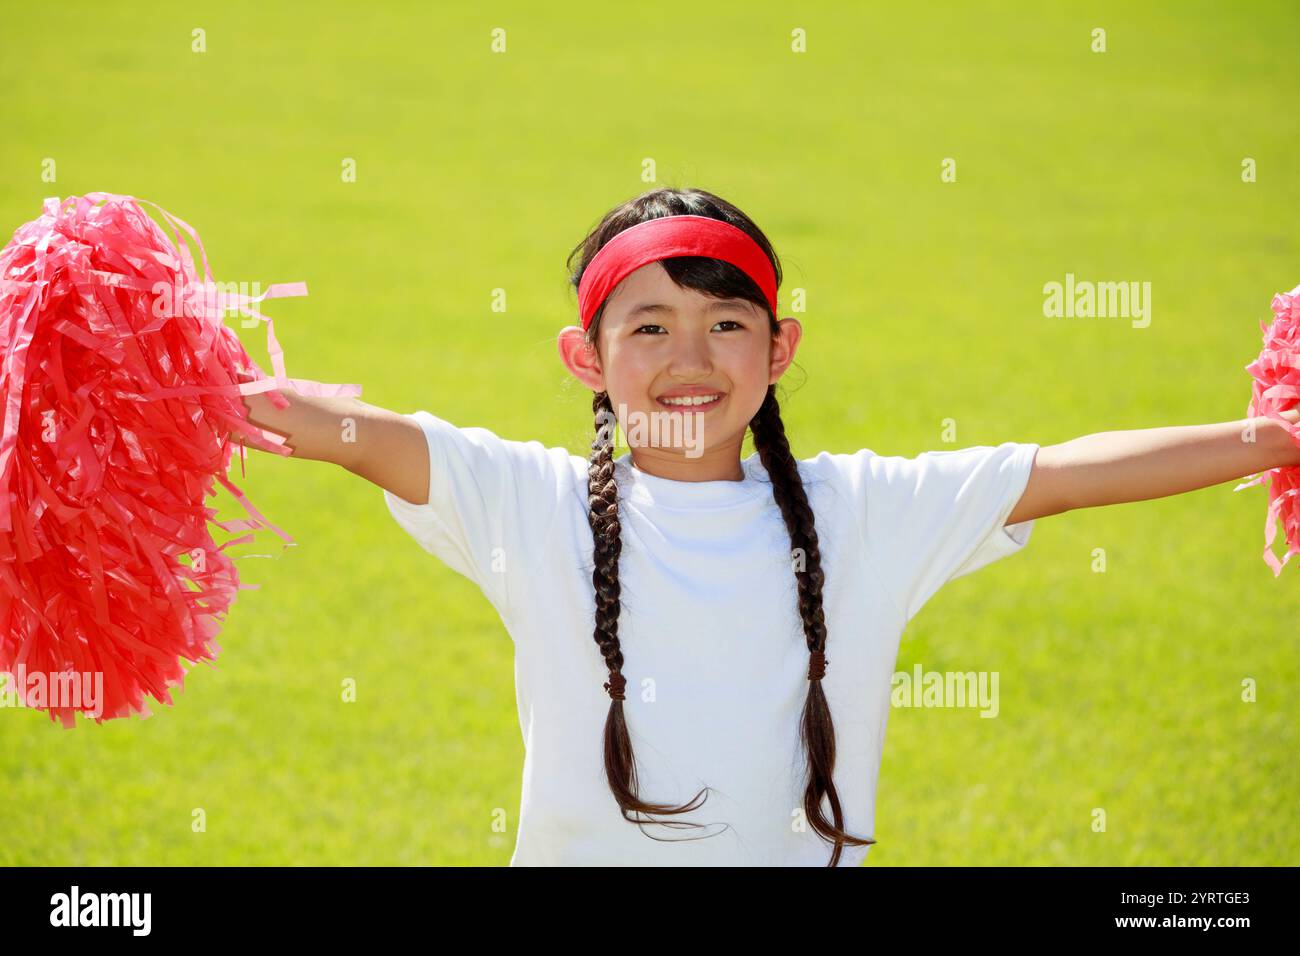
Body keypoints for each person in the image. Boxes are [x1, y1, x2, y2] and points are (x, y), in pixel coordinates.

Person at [238, 186, 1300, 866]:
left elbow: (1065, 474)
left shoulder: (862, 513)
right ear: (585, 359)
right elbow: (350, 432)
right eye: (648, 326)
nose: (689, 357)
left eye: (725, 323)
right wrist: (163, 381)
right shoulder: (528, 501)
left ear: (779, 347)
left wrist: (1272, 434)